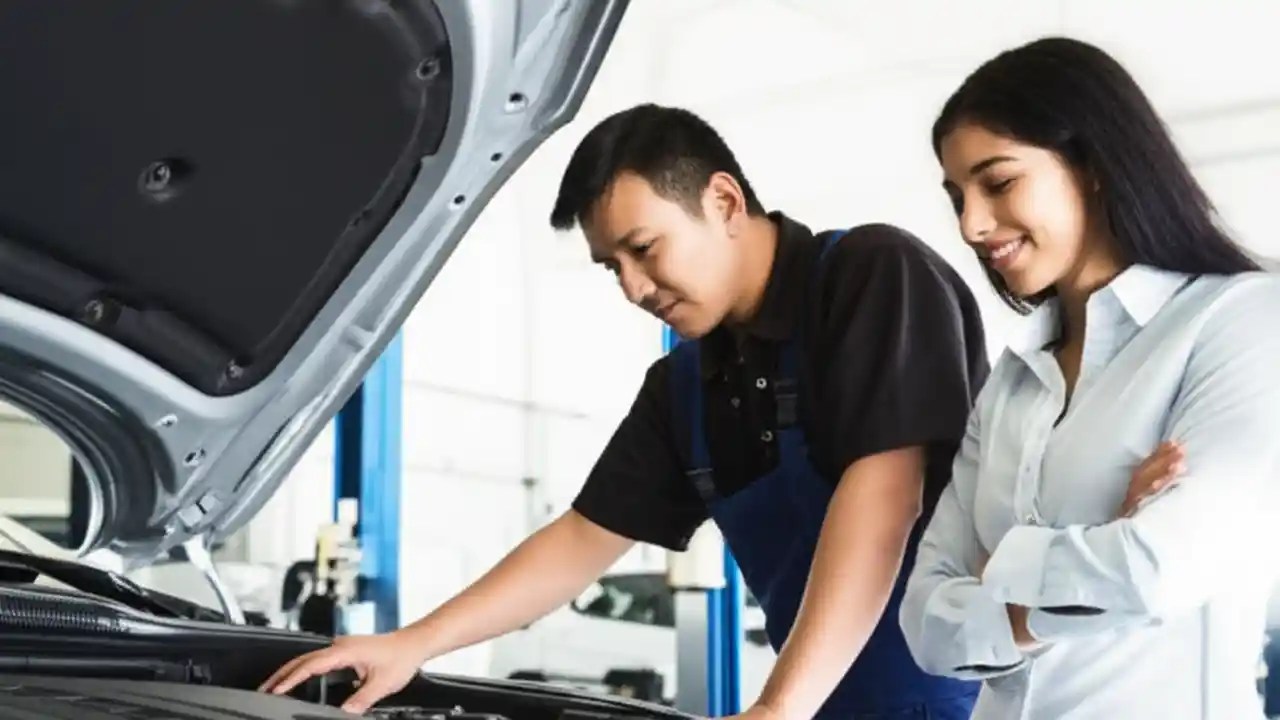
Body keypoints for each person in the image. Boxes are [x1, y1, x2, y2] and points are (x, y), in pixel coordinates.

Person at [261, 103, 988, 719]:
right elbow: (582, 539)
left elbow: (886, 497)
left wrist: (776, 709)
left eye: (644, 249)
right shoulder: (684, 388)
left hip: (970, 700)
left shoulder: (871, 279)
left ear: (724, 202)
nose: (635, 289)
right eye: (613, 267)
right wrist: (412, 643)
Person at [897, 36, 1280, 719]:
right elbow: (925, 625)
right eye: (958, 196)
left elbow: (1162, 568)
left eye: (999, 181)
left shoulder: (1239, 320)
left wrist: (1000, 574)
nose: (971, 224)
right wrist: (1096, 546)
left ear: (1093, 165)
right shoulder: (1012, 381)